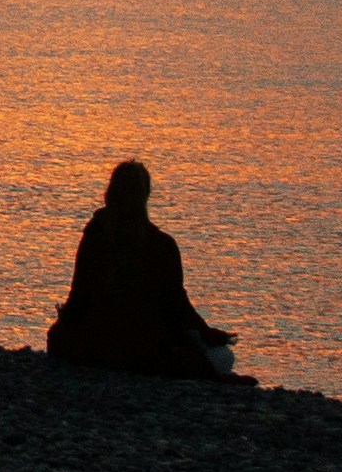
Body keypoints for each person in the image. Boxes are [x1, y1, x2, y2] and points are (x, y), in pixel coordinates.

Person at [45, 157, 245, 382]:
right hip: (144, 349)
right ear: (145, 196)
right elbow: (177, 305)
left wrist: (64, 322)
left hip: (97, 347)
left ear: (110, 192)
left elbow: (79, 296)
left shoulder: (95, 235)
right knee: (223, 356)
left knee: (58, 336)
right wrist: (206, 333)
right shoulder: (162, 244)